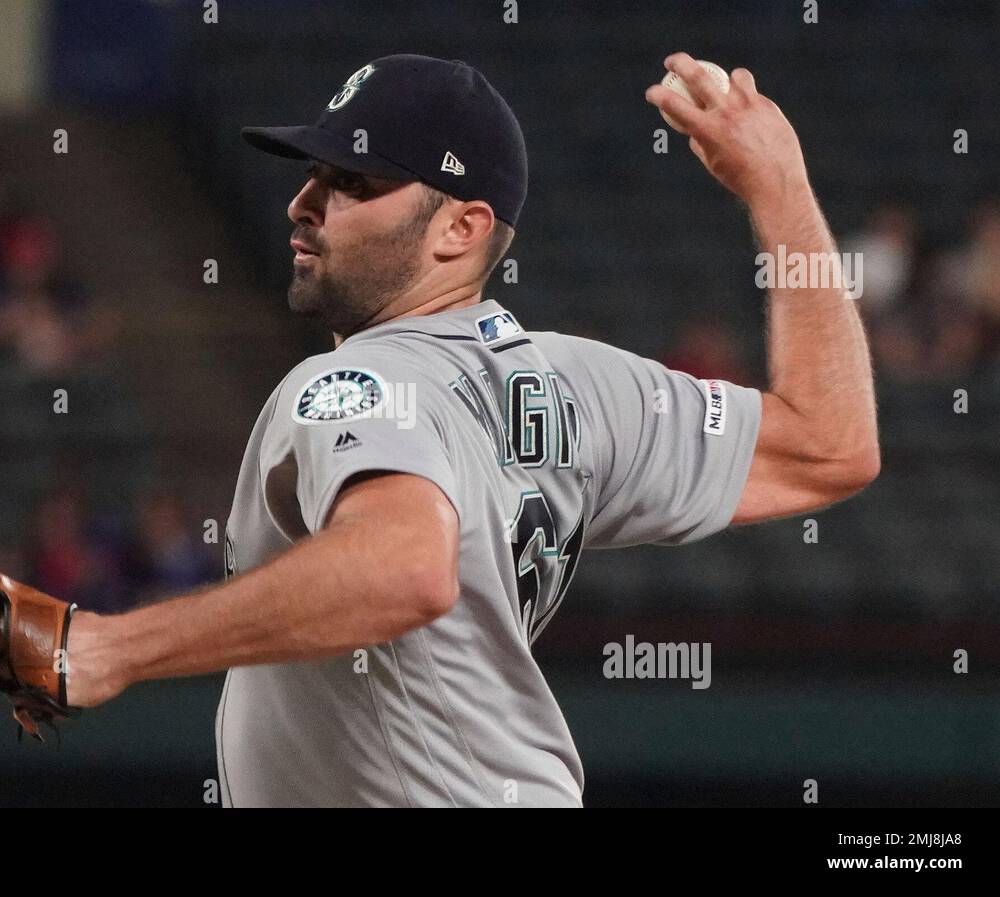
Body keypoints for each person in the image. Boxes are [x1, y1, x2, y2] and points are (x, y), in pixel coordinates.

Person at [59, 53, 879, 806]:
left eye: (352, 179)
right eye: (313, 171)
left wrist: (110, 647)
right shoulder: (579, 386)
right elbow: (830, 443)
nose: (302, 203)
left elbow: (404, 569)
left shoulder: (352, 382)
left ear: (462, 227)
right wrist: (782, 190)